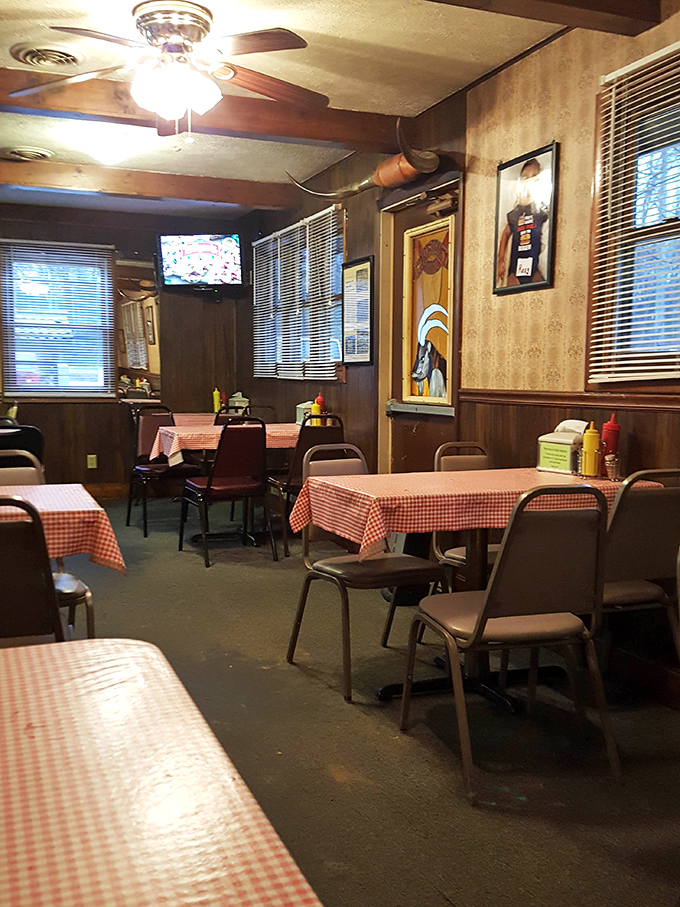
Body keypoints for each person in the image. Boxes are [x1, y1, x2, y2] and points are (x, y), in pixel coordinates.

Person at [496, 157, 548, 288]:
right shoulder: (515, 213)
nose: (529, 182)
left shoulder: (541, 210)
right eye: (526, 178)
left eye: (534, 178)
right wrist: (501, 259)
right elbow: (506, 234)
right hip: (515, 268)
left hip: (534, 265)